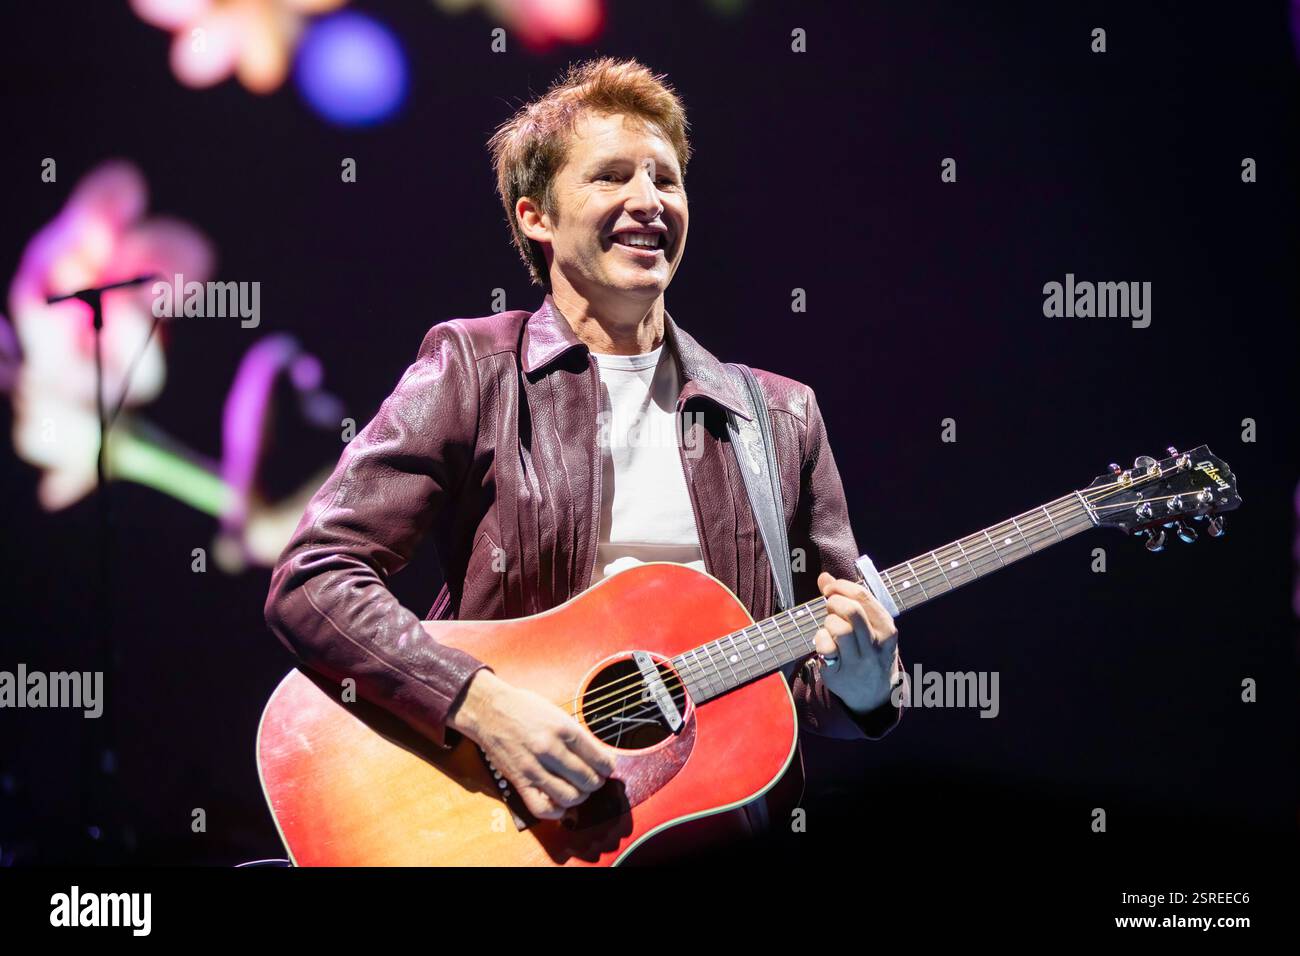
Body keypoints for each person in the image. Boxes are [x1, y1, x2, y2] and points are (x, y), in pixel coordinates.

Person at [265, 56, 904, 844]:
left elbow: (819, 689)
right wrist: (478, 702)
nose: (649, 202)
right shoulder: (474, 370)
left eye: (666, 179)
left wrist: (866, 691)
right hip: (512, 828)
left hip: (710, 830)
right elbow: (314, 577)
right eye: (611, 177)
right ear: (536, 216)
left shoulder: (779, 415)